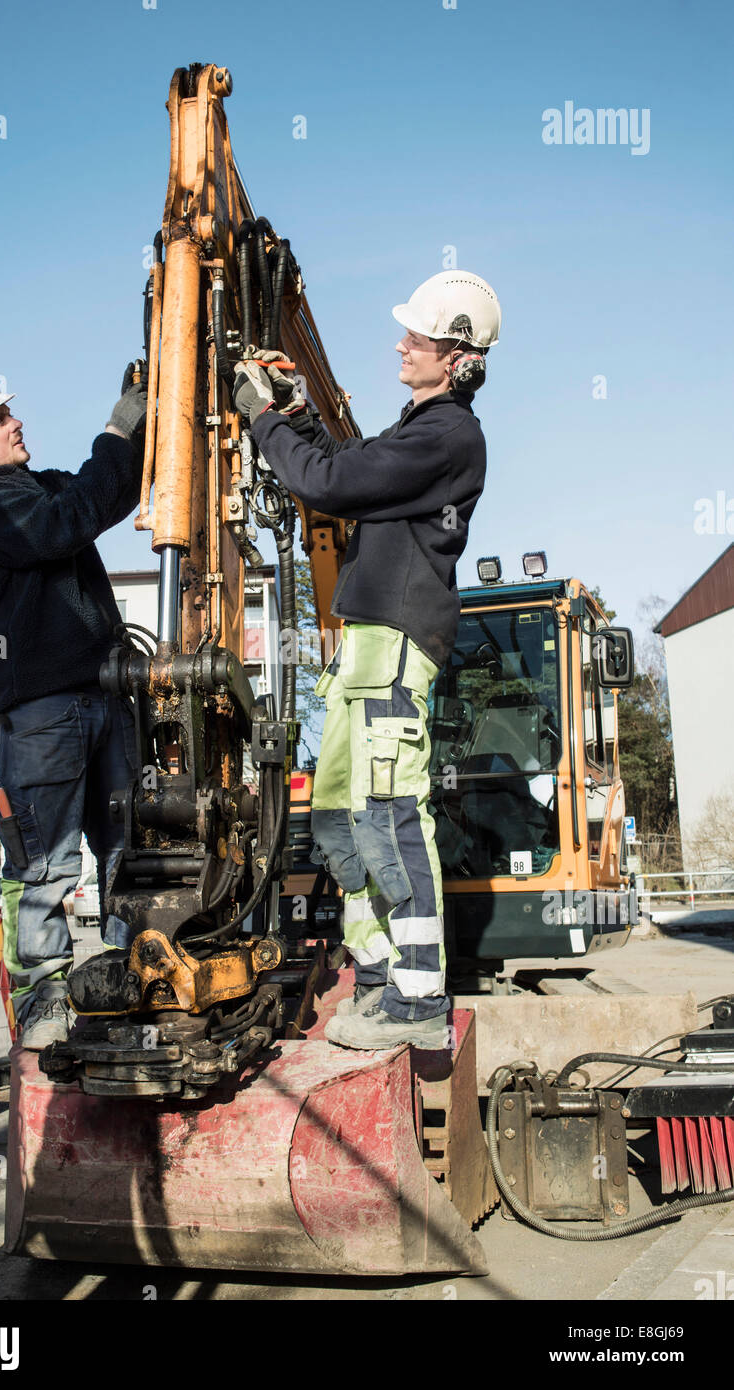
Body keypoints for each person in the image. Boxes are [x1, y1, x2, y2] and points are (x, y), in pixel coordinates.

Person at [232, 271, 500, 1049]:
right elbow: (342, 464)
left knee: (388, 809)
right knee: (342, 816)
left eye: (415, 336)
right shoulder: (414, 433)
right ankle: (380, 974)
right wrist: (295, 412)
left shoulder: (450, 436)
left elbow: (328, 481)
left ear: (456, 356)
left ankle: (420, 1002)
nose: (400, 344)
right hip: (361, 645)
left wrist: (261, 421)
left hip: (393, 644)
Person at [0, 370, 148, 1048]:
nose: (14, 423)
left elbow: (106, 490)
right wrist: (115, 431)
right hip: (42, 712)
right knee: (45, 864)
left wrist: (145, 420)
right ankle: (45, 997)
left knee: (125, 855)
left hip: (105, 697)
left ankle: (127, 980)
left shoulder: (39, 486)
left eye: (8, 413)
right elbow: (67, 522)